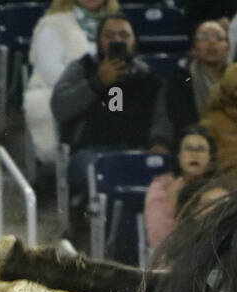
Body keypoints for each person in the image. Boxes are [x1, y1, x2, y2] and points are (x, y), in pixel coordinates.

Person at [51, 15, 172, 194]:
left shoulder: (150, 77)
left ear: (134, 41)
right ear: (98, 41)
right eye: (109, 35)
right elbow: (59, 108)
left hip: (138, 150)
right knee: (101, 173)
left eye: (124, 35)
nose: (117, 40)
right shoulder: (82, 68)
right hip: (91, 152)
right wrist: (97, 82)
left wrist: (159, 142)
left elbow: (161, 117)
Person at [24, 0, 117, 167]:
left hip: (109, 92)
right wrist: (91, 86)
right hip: (61, 92)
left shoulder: (118, 25)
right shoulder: (53, 23)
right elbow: (50, 69)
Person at [144, 125, 217, 253]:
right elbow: (159, 242)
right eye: (188, 149)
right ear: (178, 156)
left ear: (210, 158)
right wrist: (173, 206)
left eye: (201, 150)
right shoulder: (162, 188)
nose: (194, 155)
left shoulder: (218, 191)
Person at [164, 20, 231, 141]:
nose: (211, 42)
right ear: (195, 48)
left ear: (228, 47)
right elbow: (179, 122)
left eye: (218, 37)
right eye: (204, 37)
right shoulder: (181, 81)